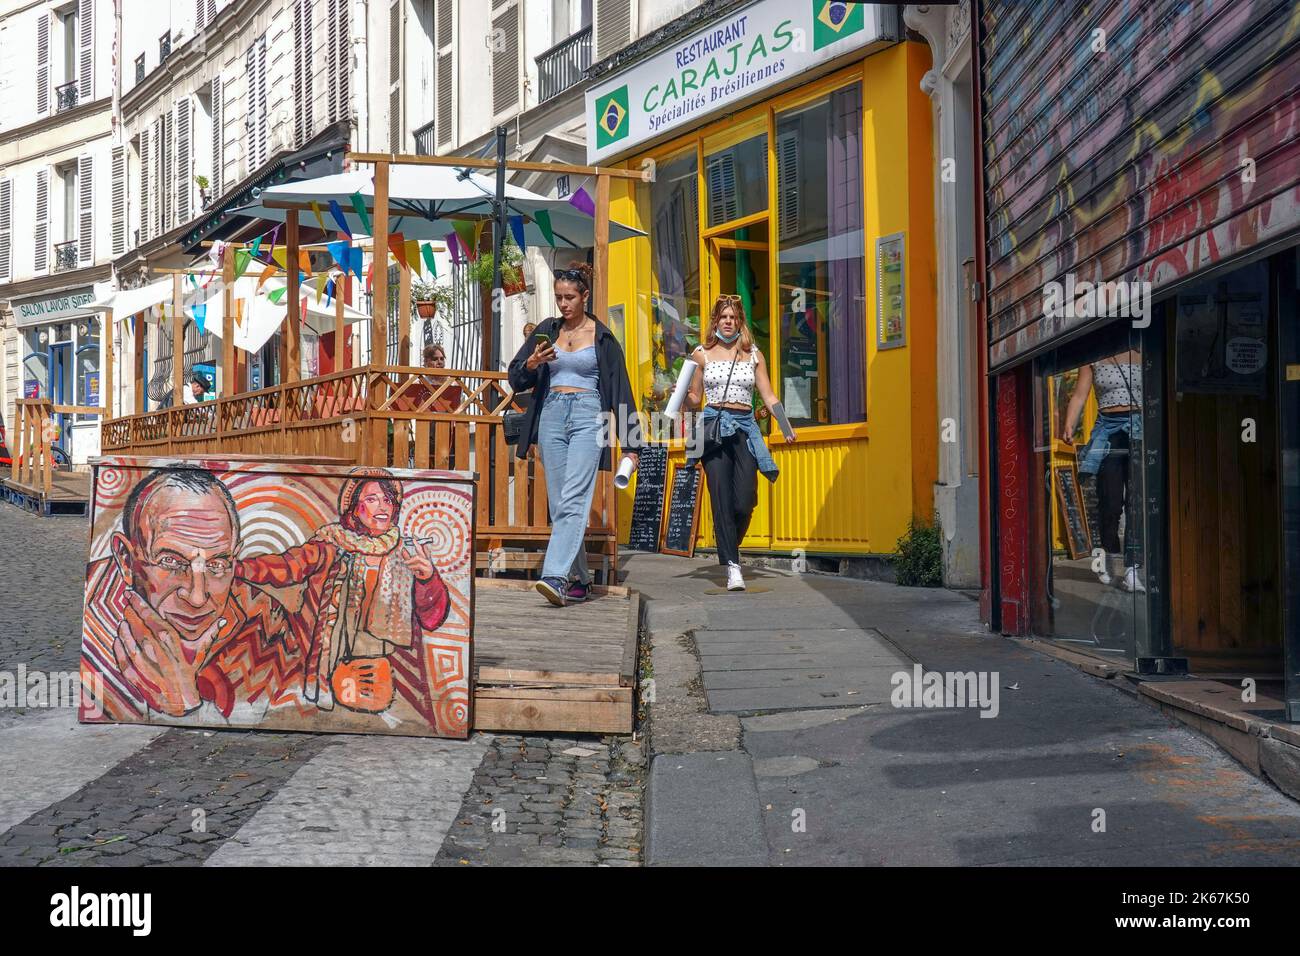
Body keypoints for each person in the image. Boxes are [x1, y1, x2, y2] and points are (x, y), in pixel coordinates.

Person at [81, 466, 308, 723]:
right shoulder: (95, 616)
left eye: (217, 565)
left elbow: (289, 719)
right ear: (125, 559)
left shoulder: (265, 623)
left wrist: (186, 704)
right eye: (171, 562)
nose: (197, 597)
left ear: (235, 556)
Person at [235, 466, 450, 714]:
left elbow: (432, 619)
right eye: (371, 499)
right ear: (354, 509)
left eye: (388, 500)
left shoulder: (404, 552)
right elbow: (286, 567)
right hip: (326, 665)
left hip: (376, 667)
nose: (382, 507)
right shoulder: (331, 544)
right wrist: (238, 568)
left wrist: (428, 579)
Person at [508, 262, 642, 606]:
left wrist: (631, 445)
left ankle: (554, 575)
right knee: (560, 502)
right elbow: (516, 377)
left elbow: (621, 390)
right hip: (551, 414)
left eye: (569, 297)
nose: (563, 304)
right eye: (558, 297)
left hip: (589, 415)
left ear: (585, 296)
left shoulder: (602, 337)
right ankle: (581, 580)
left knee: (574, 498)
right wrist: (533, 364)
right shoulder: (546, 330)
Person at [685, 294, 796, 591]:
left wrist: (784, 425)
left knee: (746, 499)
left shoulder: (753, 354)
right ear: (715, 321)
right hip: (714, 429)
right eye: (723, 317)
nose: (728, 322)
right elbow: (695, 397)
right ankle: (734, 567)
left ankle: (728, 541)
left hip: (746, 427)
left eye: (733, 317)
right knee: (720, 496)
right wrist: (682, 394)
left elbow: (769, 396)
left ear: (740, 322)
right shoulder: (701, 354)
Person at [1061, 349, 1144, 593]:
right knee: (1110, 502)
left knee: (1137, 504)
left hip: (1139, 428)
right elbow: (1079, 396)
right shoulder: (1094, 357)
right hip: (1107, 431)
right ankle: (1109, 556)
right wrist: (1069, 425)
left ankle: (1132, 569)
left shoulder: (1144, 351)